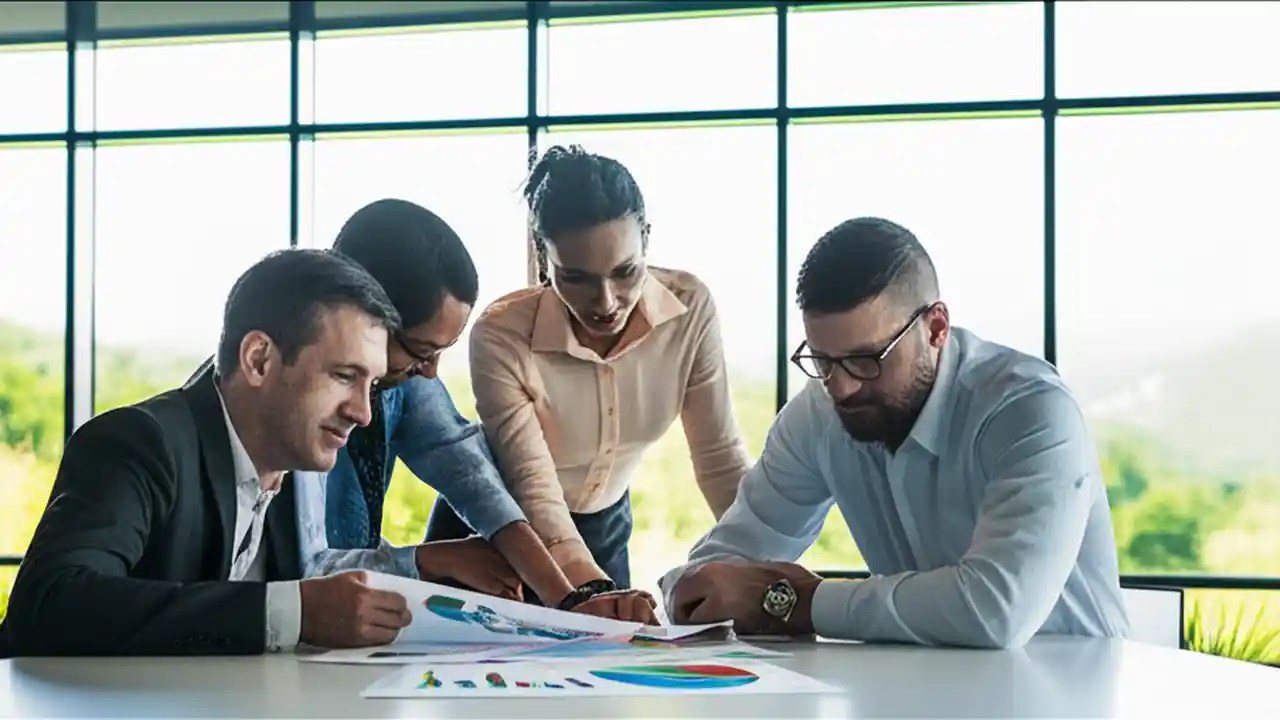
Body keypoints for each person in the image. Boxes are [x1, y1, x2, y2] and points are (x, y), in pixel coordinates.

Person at [661, 217, 1130, 649]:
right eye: (822, 360)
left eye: (867, 360)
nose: (841, 387)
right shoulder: (818, 413)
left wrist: (798, 602)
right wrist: (686, 589)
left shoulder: (1030, 409)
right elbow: (733, 553)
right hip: (916, 688)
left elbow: (997, 609)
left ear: (936, 328)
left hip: (1070, 688)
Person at [0, 249, 417, 657]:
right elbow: (52, 604)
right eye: (345, 376)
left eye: (373, 386)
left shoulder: (294, 468)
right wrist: (295, 612)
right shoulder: (140, 442)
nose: (363, 413)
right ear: (259, 360)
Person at [309, 198, 657, 622]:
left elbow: (471, 475)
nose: (430, 370)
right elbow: (300, 572)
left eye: (441, 353)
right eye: (420, 351)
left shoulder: (404, 383)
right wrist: (425, 561)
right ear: (361, 317)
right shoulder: (298, 404)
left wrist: (568, 599)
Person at [425, 145, 752, 595]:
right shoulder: (501, 334)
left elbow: (719, 458)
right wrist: (594, 595)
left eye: (625, 272)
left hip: (606, 523)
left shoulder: (689, 310)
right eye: (576, 278)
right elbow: (534, 489)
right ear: (544, 257)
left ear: (647, 239)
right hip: (498, 531)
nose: (606, 302)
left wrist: (760, 565)